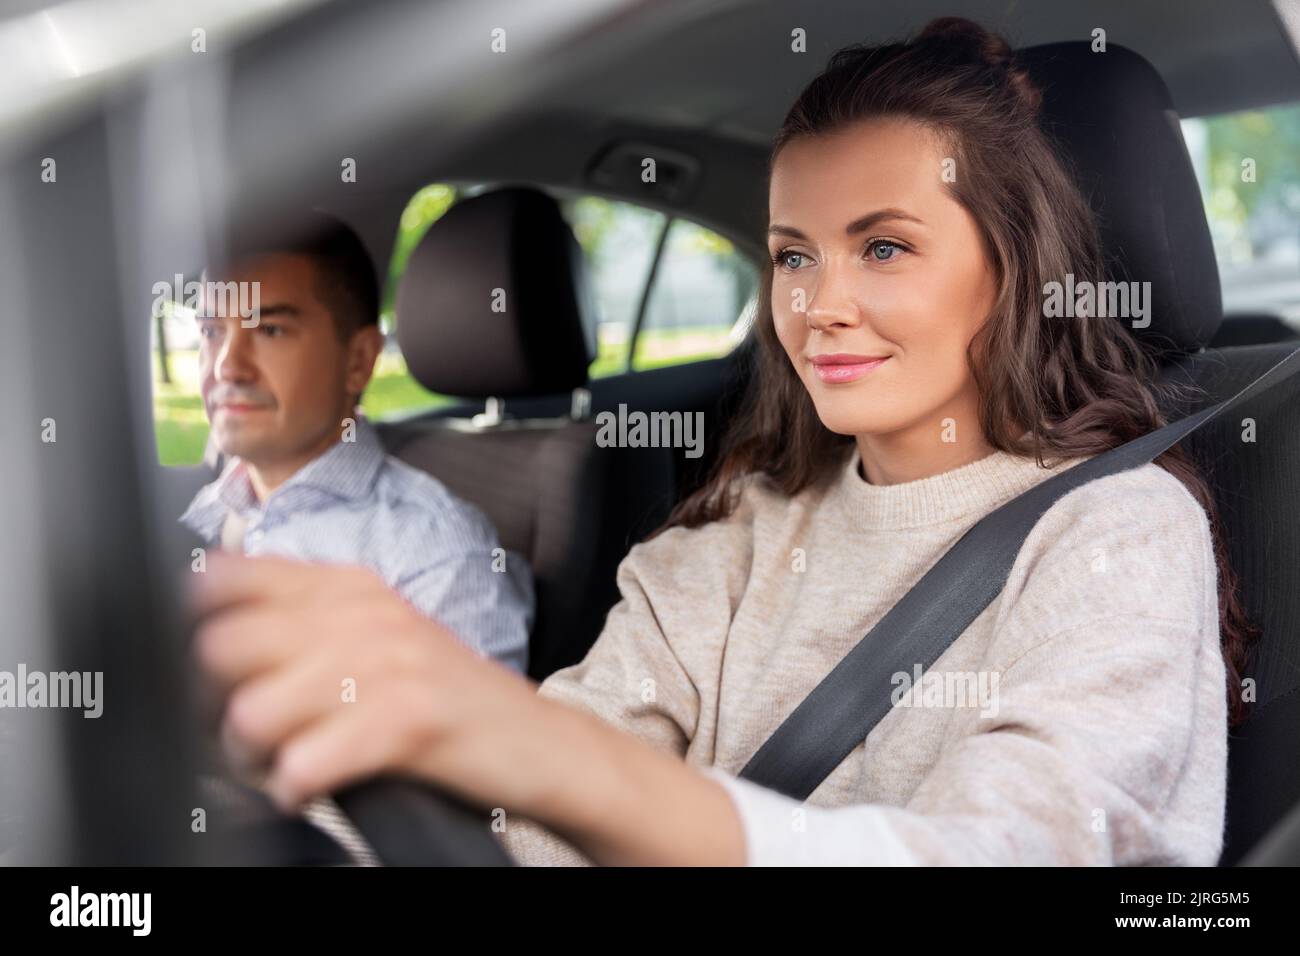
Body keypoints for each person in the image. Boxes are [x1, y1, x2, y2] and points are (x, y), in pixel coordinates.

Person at [190, 20, 1249, 865]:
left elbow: (1015, 849)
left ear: (1013, 269)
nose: (818, 305)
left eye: (883, 245)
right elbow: (532, 821)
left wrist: (534, 750)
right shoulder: (742, 526)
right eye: (793, 256)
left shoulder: (1117, 531)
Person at [181, 212, 532, 672]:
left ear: (359, 360)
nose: (227, 367)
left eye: (270, 330)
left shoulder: (435, 553)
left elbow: (478, 739)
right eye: (211, 332)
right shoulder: (201, 511)